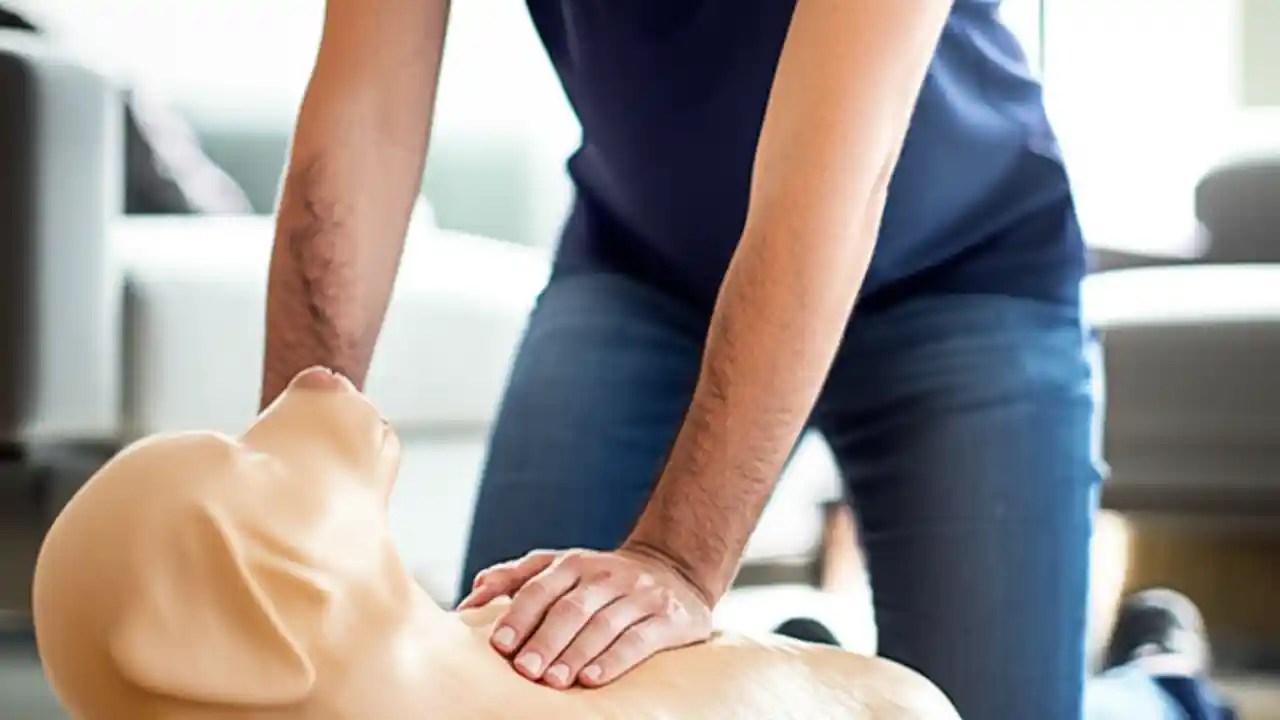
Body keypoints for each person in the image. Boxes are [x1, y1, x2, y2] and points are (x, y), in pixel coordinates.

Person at [261, 2, 1096, 717]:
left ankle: (1152, 684)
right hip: (647, 268)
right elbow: (365, 112)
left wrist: (676, 562)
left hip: (962, 273)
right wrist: (288, 468)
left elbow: (832, 176)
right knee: (502, 683)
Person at [33, 367, 959, 719]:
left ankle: (807, 637)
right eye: (259, 463)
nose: (309, 384)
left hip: (964, 247)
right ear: (235, 642)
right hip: (628, 237)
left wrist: (678, 561)